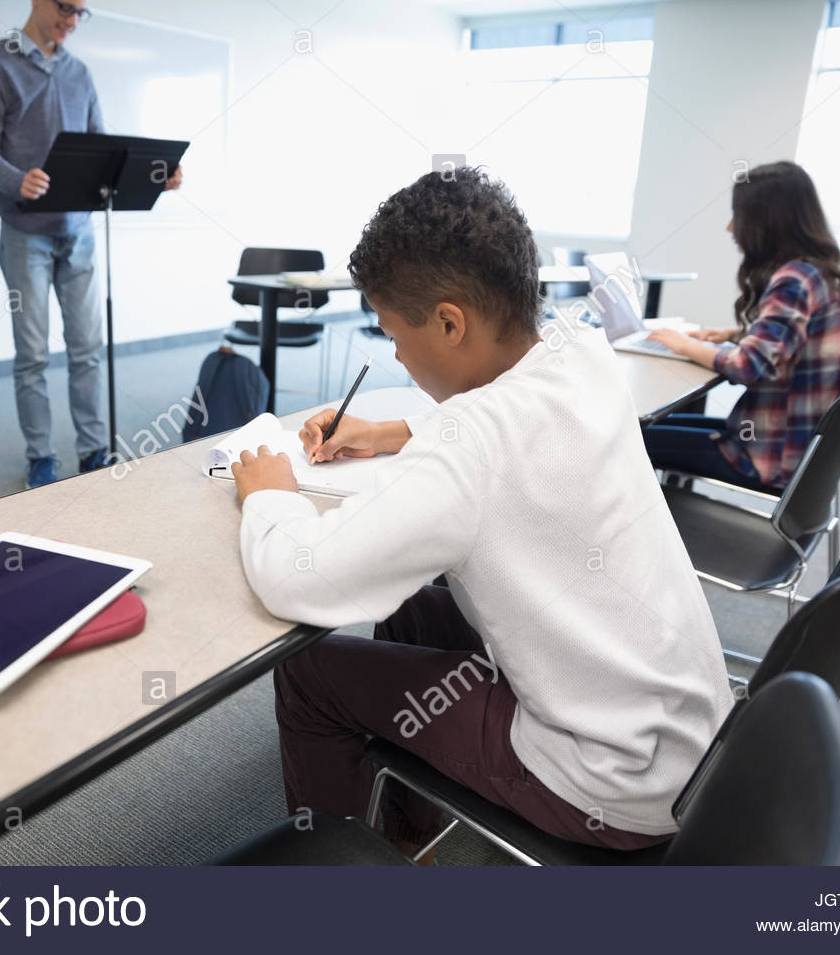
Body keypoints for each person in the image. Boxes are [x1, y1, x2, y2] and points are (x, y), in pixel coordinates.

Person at [229, 168, 733, 858]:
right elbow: (523, 437)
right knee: (415, 605)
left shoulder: (468, 452)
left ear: (449, 322)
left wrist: (268, 492)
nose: (400, 359)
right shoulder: (580, 351)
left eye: (396, 338)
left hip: (606, 784)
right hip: (694, 747)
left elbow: (297, 577)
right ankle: (410, 817)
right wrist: (394, 433)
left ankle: (342, 877)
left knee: (308, 673)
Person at [0, 0, 182, 488]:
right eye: (66, 7)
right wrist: (16, 179)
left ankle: (92, 452)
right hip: (26, 235)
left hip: (80, 233)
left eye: (82, 13)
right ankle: (40, 457)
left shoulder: (79, 72)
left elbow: (101, 150)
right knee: (33, 355)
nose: (72, 20)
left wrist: (152, 176)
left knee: (86, 349)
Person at [642, 161, 840, 491]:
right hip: (787, 447)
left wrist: (684, 345)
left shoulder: (793, 282)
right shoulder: (814, 274)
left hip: (765, 456)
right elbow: (791, 341)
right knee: (651, 428)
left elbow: (747, 367)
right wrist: (734, 334)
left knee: (632, 442)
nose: (731, 228)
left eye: (738, 216)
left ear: (766, 222)